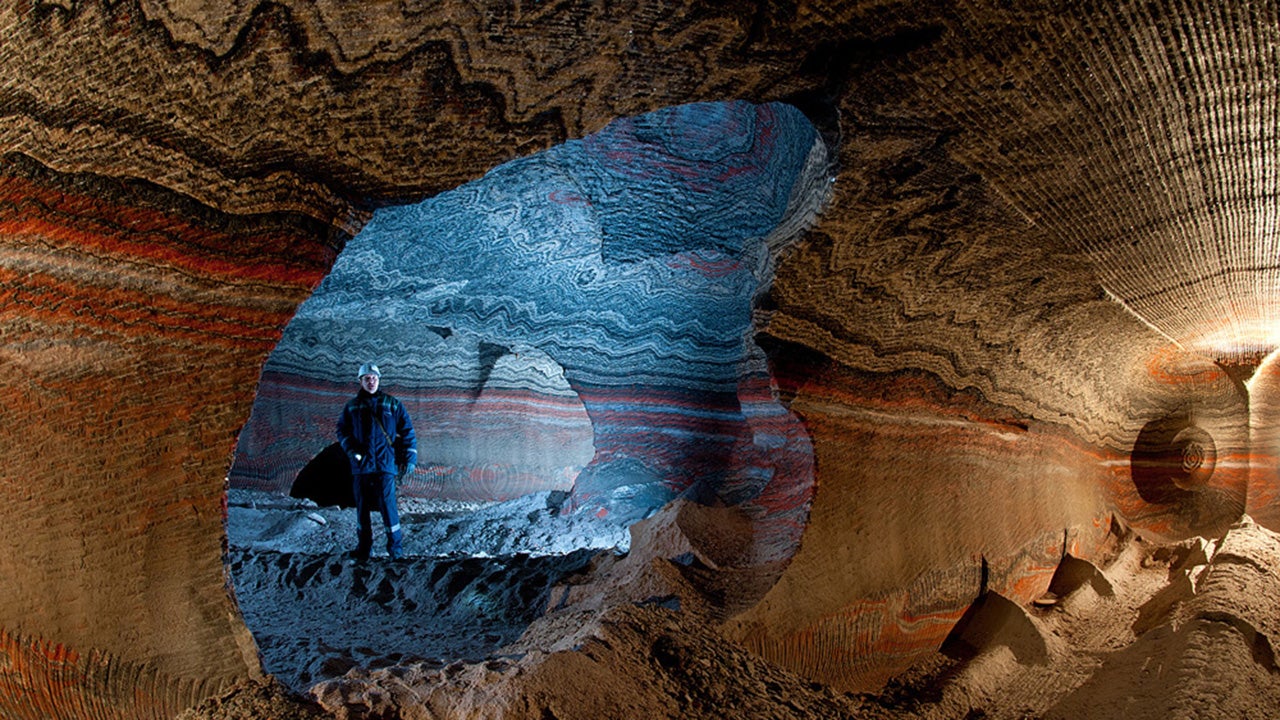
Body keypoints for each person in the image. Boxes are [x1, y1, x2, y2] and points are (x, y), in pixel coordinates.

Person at [336, 363, 417, 560]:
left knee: (388, 507)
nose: (371, 382)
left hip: (385, 465)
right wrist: (352, 451)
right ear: (360, 381)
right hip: (362, 466)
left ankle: (395, 550)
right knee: (362, 508)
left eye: (374, 378)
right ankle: (364, 549)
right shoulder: (352, 407)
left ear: (379, 380)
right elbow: (342, 431)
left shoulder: (392, 404)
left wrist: (410, 457)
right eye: (367, 379)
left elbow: (407, 430)